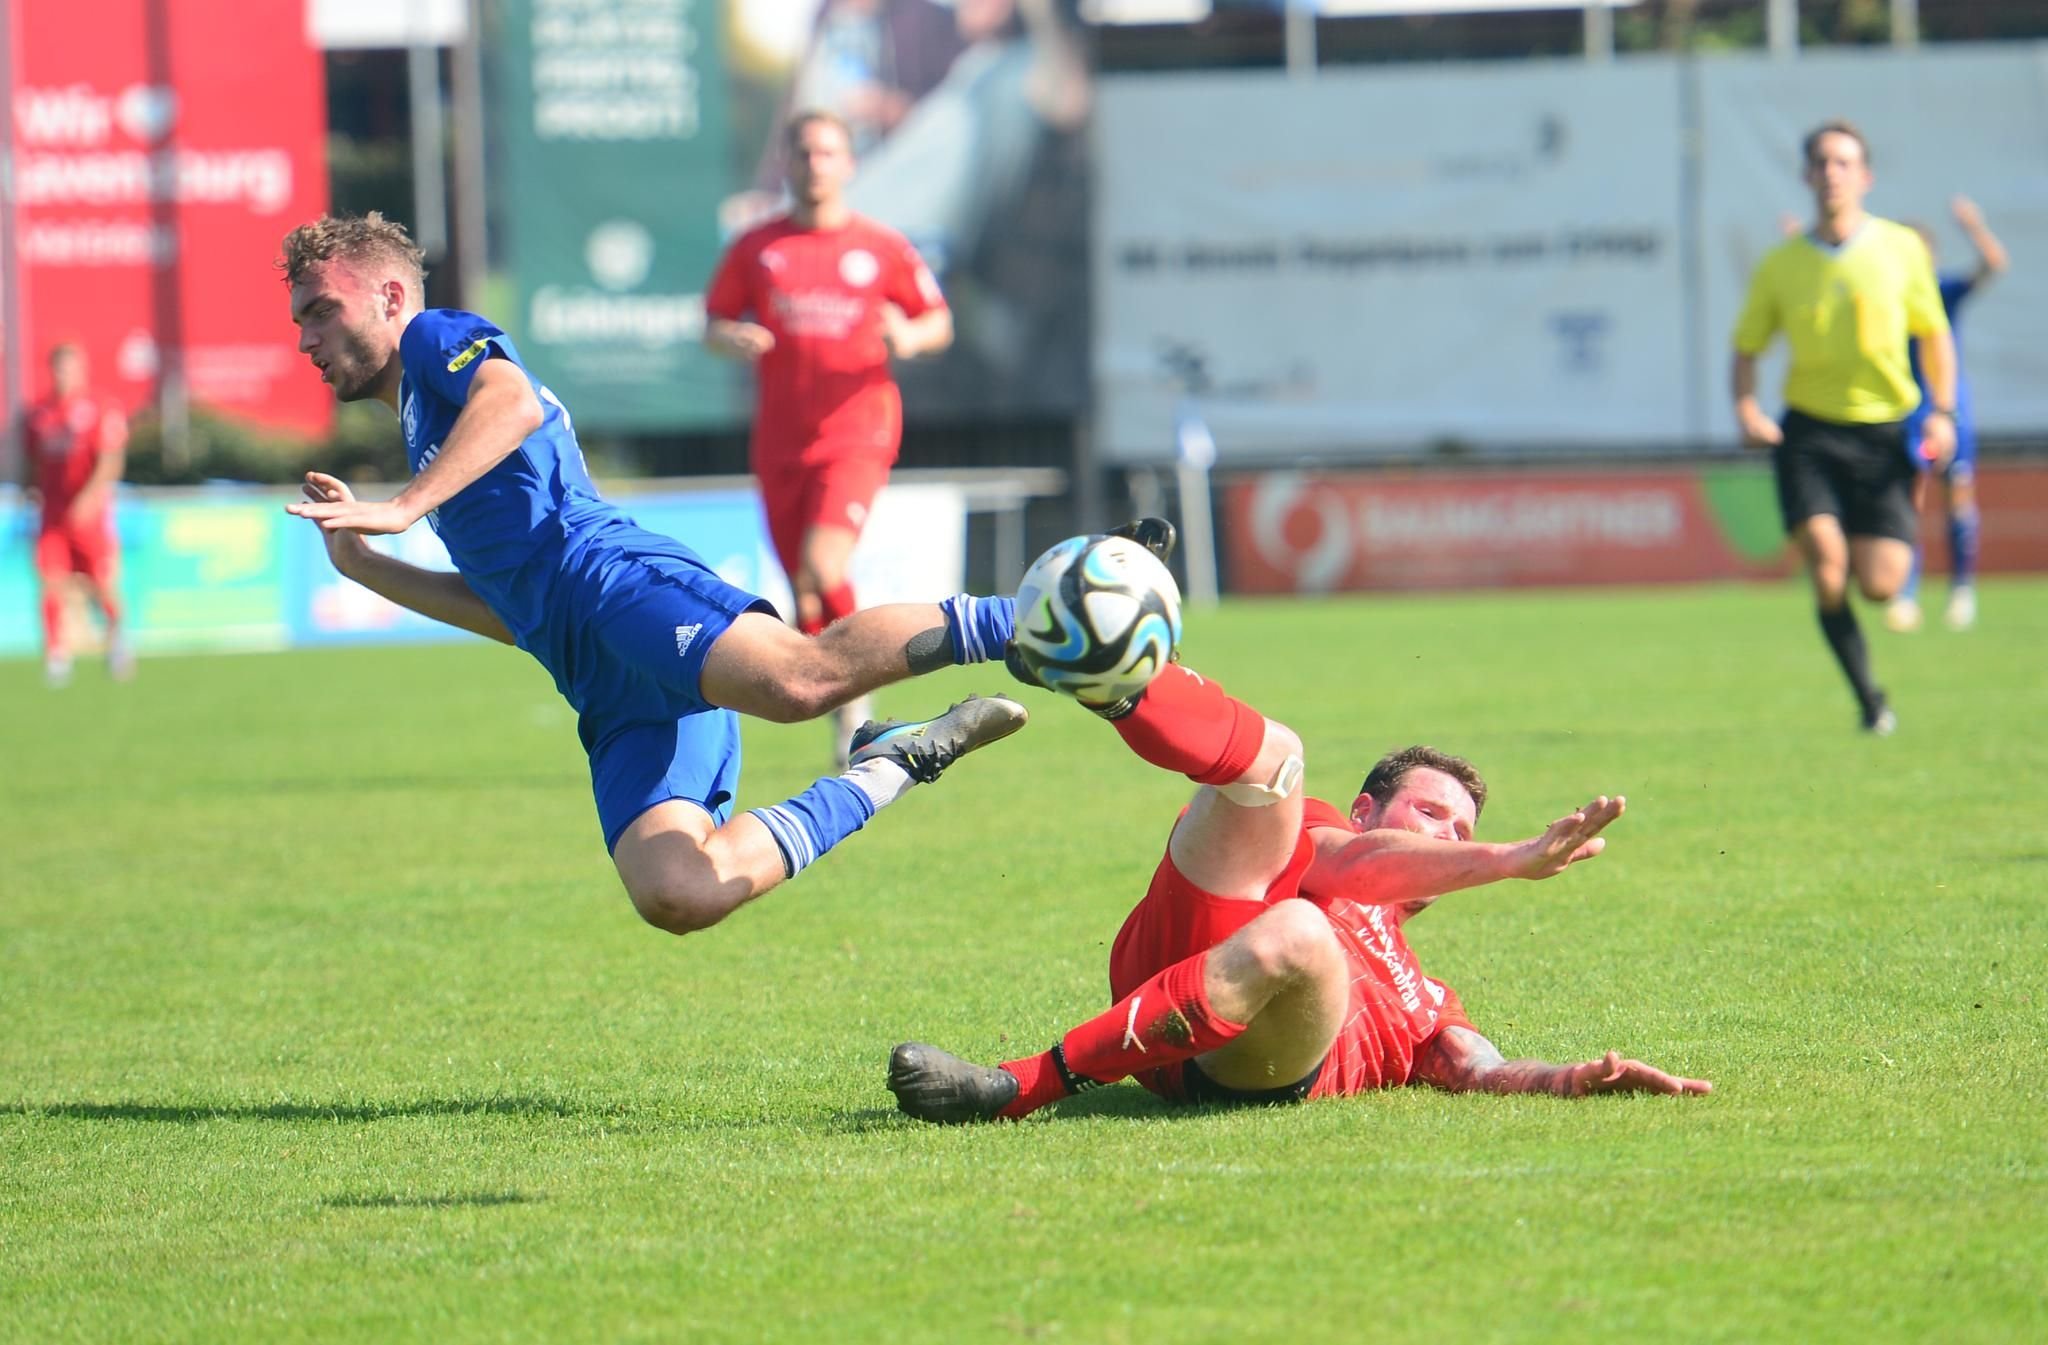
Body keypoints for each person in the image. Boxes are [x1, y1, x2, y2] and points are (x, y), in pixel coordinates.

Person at [278, 212, 1023, 938]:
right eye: (300, 320)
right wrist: (366, 565)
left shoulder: (434, 337)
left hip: (611, 586)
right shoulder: (423, 418)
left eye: (321, 310)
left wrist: (404, 508)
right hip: (590, 670)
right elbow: (508, 611)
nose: (307, 338)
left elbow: (512, 402)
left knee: (799, 680)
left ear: (391, 297)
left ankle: (1026, 621)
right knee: (677, 891)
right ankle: (888, 765)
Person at [890, 589, 1710, 1123]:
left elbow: (1480, 1068)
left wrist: (1576, 1079)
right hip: (1168, 960)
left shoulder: (1427, 994)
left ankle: (1016, 1085)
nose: (1447, 837)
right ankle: (1110, 676)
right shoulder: (1329, 836)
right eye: (1429, 811)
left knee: (1301, 934)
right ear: (1367, 810)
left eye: (1461, 831)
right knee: (1275, 759)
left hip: (1252, 1059)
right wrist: (1509, 857)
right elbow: (1356, 868)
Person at [705, 110, 955, 766]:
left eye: (828, 152)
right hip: (781, 438)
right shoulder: (758, 247)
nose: (815, 164)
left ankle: (859, 698)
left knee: (824, 568)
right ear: (786, 163)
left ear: (847, 164)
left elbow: (937, 320)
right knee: (802, 592)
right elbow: (714, 321)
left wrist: (909, 335)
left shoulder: (880, 246)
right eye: (804, 152)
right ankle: (840, 699)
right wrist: (731, 337)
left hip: (858, 429)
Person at [1732, 120, 1956, 736]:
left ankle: (1872, 677)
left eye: (1844, 162)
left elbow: (1934, 334)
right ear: (1807, 176)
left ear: (1865, 176)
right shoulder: (1782, 264)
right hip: (1810, 435)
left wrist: (1943, 410)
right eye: (1822, 162)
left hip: (1886, 434)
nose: (1832, 172)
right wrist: (1748, 407)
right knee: (1828, 570)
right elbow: (1746, 345)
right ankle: (1870, 701)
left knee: (1881, 585)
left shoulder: (1901, 249)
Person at [1886, 196, 2009, 635]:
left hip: (1948, 406)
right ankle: (1906, 594)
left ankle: (1961, 590)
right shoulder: (1886, 299)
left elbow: (1994, 263)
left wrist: (1974, 226)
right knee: (1910, 499)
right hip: (1906, 410)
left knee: (1957, 491)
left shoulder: (1943, 291)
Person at [22, 343, 132, 688]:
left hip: (89, 516)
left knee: (101, 585)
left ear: (82, 370)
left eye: (70, 368)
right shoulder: (39, 413)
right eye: (58, 368)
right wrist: (30, 487)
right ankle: (57, 655)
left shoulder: (100, 408)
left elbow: (111, 459)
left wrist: (90, 497)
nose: (63, 375)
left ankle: (117, 642)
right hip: (52, 516)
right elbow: (30, 460)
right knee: (51, 582)